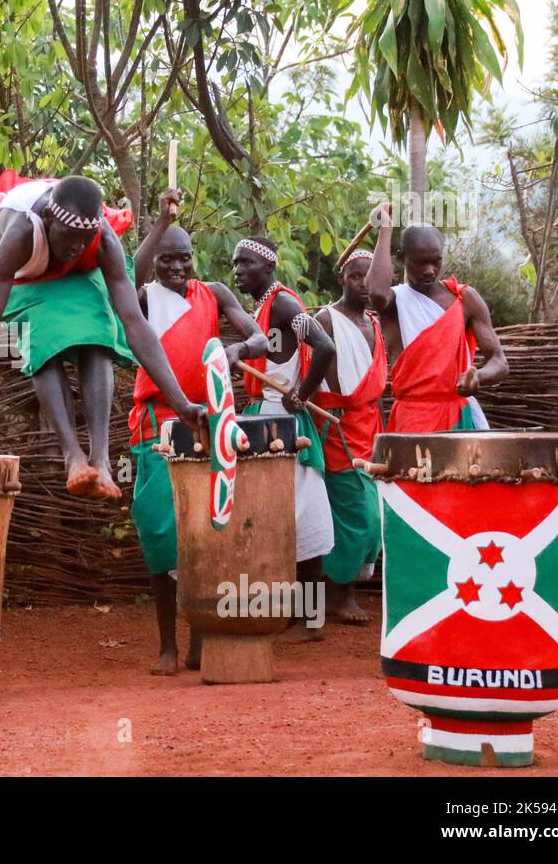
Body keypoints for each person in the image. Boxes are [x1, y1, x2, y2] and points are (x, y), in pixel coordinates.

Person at [0, 173, 206, 488]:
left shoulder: (100, 238)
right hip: (27, 273)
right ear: (50, 218)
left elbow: (134, 322)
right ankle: (72, 455)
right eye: (70, 236)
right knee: (44, 341)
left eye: (83, 238)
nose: (76, 246)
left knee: (99, 336)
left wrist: (181, 403)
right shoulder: (21, 233)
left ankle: (100, 460)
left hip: (79, 273)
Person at [130, 189, 267, 673]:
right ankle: (168, 643)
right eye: (167, 258)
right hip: (158, 424)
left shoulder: (215, 293)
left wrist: (236, 352)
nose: (176, 268)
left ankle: (200, 636)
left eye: (183, 259)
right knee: (161, 531)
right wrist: (160, 224)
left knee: (208, 531)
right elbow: (131, 273)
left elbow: (259, 335)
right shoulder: (143, 297)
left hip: (211, 427)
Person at [232, 235, 335, 642]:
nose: (238, 270)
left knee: (302, 518)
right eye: (235, 264)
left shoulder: (284, 304)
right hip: (262, 419)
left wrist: (301, 394)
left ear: (269, 267)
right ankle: (293, 614)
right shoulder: (259, 309)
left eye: (246, 264)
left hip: (285, 424)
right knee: (275, 520)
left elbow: (324, 346)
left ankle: (311, 622)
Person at [366, 203, 508, 431]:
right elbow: (375, 292)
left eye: (436, 261)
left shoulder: (465, 299)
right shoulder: (393, 302)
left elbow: (499, 361)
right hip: (413, 419)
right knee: (414, 468)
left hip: (460, 416)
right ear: (402, 258)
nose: (430, 270)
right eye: (421, 262)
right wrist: (385, 229)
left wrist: (478, 377)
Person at [312, 249, 387, 625]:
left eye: (368, 277)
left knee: (371, 521)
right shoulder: (325, 319)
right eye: (356, 276)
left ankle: (344, 595)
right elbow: (308, 374)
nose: (363, 284)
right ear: (343, 277)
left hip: (369, 428)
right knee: (357, 515)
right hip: (337, 428)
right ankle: (335, 597)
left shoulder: (373, 323)